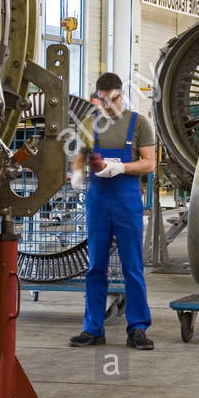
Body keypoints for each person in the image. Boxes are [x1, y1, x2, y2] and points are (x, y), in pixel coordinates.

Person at [69, 73, 156, 350]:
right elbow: (79, 158)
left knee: (132, 266)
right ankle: (93, 328)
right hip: (98, 202)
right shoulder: (89, 124)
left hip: (127, 201)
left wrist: (121, 167)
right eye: (103, 101)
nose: (108, 106)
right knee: (96, 266)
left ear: (121, 95)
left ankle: (138, 328)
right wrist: (77, 174)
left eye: (113, 100)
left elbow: (150, 163)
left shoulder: (139, 123)